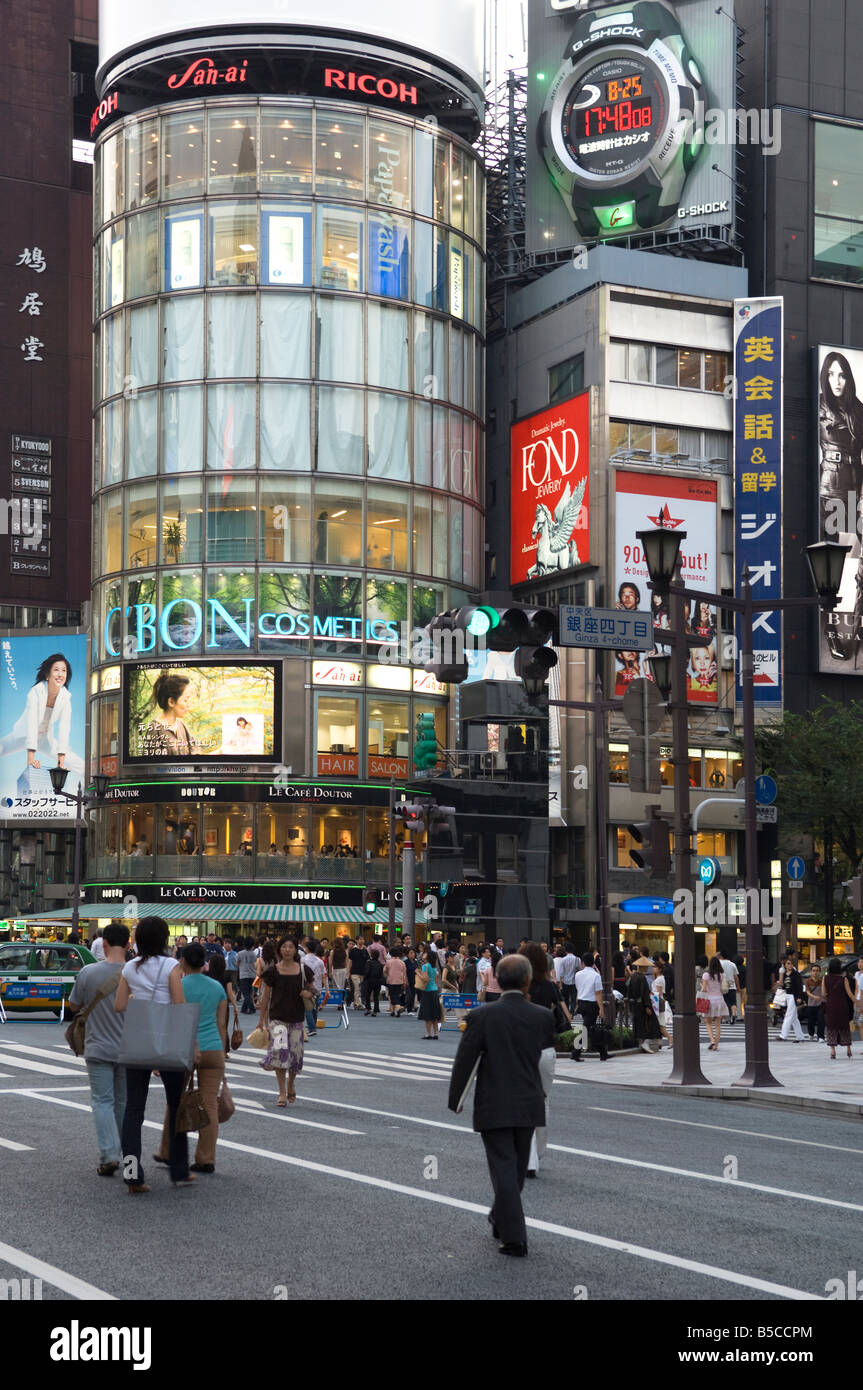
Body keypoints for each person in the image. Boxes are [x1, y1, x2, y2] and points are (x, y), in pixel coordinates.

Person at [447, 953, 556, 1257]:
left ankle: (505, 1224)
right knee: (516, 1168)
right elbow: (546, 1060)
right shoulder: (542, 1017)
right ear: (526, 980)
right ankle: (511, 1230)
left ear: (497, 979)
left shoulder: (482, 1017)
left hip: (493, 1103)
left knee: (506, 1169)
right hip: (528, 1102)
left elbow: (465, 1061)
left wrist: (456, 1099)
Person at [114, 915, 192, 1192]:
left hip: (137, 1039)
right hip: (167, 1040)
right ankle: (180, 1169)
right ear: (163, 939)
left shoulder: (129, 967)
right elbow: (179, 1003)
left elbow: (120, 1005)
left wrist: (139, 999)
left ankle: (133, 1174)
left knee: (133, 1110)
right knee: (176, 1105)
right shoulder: (171, 965)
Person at [153, 944, 227, 1174]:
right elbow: (221, 1024)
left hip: (183, 1048)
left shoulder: (179, 985)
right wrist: (223, 1053)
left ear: (183, 962)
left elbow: (171, 1023)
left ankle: (167, 1151)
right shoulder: (217, 987)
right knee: (209, 1104)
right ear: (204, 962)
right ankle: (206, 1158)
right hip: (213, 1048)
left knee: (175, 1101)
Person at [67, 922, 129, 1177]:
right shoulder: (134, 972)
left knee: (102, 1102)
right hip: (129, 1049)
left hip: (98, 1046)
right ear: (128, 944)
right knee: (123, 1103)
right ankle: (127, 1154)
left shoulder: (88, 972)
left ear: (102, 944)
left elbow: (73, 1005)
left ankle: (109, 1155)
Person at [520, 942, 566, 1178]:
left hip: (522, 1050)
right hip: (546, 1051)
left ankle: (528, 1159)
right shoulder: (549, 987)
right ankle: (538, 1151)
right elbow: (563, 1016)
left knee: (523, 1103)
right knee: (543, 1100)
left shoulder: (519, 986)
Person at [0, 652, 84, 776]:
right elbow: (32, 724)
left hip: (45, 739)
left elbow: (64, 730)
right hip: (23, 735)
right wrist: (31, 759)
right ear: (47, 675)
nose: (60, 674)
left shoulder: (65, 697)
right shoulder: (35, 692)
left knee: (76, 762)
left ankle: (96, 786)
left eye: (64, 670)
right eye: (56, 670)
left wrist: (61, 762)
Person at [258, 936, 315, 1104]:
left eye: (291, 947)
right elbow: (265, 997)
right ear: (279, 950)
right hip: (277, 1019)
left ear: (295, 949)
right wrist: (261, 1020)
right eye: (284, 947)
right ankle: (282, 1092)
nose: (287, 950)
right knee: (280, 1056)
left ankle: (291, 1083)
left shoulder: (303, 969)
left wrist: (309, 993)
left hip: (297, 1019)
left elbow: (313, 989)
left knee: (296, 1057)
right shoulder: (273, 971)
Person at [140, 672, 201, 758]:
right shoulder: (154, 730)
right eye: (185, 700)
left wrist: (220, 750)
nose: (189, 704)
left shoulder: (181, 725)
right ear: (171, 702)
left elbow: (197, 757)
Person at [627, 957, 662, 1053]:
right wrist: (647, 1006)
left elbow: (629, 990)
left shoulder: (633, 976)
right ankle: (644, 1041)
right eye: (646, 966)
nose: (647, 968)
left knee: (638, 1023)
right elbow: (644, 993)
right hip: (642, 1004)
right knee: (650, 1022)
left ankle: (640, 1041)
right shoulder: (642, 977)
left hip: (634, 1003)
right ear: (643, 967)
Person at [823, 957, 855, 1060]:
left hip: (831, 1006)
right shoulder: (843, 979)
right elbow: (850, 994)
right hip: (842, 1006)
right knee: (844, 1027)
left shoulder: (825, 978)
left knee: (832, 1027)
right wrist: (857, 1002)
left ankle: (833, 1051)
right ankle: (848, 1049)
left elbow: (823, 994)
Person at [699, 955, 729, 1051]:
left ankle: (712, 1040)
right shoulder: (721, 975)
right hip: (720, 1000)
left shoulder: (706, 975)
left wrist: (701, 985)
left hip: (709, 1000)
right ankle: (716, 1045)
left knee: (708, 1022)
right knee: (718, 1025)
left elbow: (703, 989)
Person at [777, 952, 805, 1043]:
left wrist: (799, 997)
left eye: (791, 963)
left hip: (794, 996)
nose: (790, 965)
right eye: (788, 963)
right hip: (788, 996)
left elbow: (799, 986)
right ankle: (800, 1037)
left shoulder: (796, 974)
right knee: (794, 1018)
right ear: (785, 965)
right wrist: (781, 984)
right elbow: (786, 986)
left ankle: (783, 1035)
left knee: (789, 1015)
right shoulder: (785, 974)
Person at [417, 948, 440, 1038]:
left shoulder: (425, 966)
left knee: (427, 1014)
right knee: (434, 1014)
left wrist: (417, 973)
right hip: (434, 991)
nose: (424, 955)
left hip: (427, 991)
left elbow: (424, 978)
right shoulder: (434, 967)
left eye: (425, 954)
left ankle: (428, 1034)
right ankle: (436, 1033)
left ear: (428, 956)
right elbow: (436, 979)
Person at [800, 964, 826, 1041]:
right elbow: (807, 992)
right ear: (811, 972)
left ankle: (820, 1036)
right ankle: (811, 1034)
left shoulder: (822, 981)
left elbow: (825, 992)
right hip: (811, 1004)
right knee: (811, 1021)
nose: (815, 972)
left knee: (821, 1020)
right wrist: (815, 997)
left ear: (820, 972)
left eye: (817, 971)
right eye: (814, 971)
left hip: (820, 1004)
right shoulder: (807, 981)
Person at [717, 949, 740, 1025]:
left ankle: (722, 1018)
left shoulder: (719, 963)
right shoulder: (732, 964)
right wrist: (738, 987)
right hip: (732, 986)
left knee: (722, 1002)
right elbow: (736, 977)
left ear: (721, 955)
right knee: (733, 1002)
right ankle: (733, 1015)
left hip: (721, 986)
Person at [384, 946, 408, 1016]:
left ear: (390, 954)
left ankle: (397, 1008)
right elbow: (404, 973)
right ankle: (394, 1010)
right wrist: (405, 981)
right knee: (397, 994)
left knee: (392, 995)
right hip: (400, 981)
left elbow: (384, 970)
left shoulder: (388, 962)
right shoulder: (402, 962)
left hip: (391, 981)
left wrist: (387, 974)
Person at [237, 936, 257, 1014]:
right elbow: (255, 963)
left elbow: (237, 963)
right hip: (252, 974)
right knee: (249, 992)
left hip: (243, 975)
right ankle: (244, 1008)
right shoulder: (254, 954)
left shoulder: (240, 953)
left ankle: (252, 1007)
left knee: (245, 993)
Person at [348, 937, 370, 1011]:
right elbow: (350, 962)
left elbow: (368, 961)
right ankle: (359, 1004)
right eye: (360, 939)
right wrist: (348, 972)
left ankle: (355, 1003)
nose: (362, 940)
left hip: (363, 972)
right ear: (357, 940)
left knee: (360, 989)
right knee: (357, 988)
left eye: (363, 939)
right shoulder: (353, 951)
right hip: (354, 972)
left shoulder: (365, 950)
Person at [363, 949, 384, 1016]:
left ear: (371, 955)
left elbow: (367, 972)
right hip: (377, 981)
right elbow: (381, 973)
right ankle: (375, 1010)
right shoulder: (380, 963)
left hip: (369, 981)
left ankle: (368, 1008)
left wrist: (364, 978)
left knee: (367, 995)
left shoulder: (369, 962)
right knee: (376, 996)